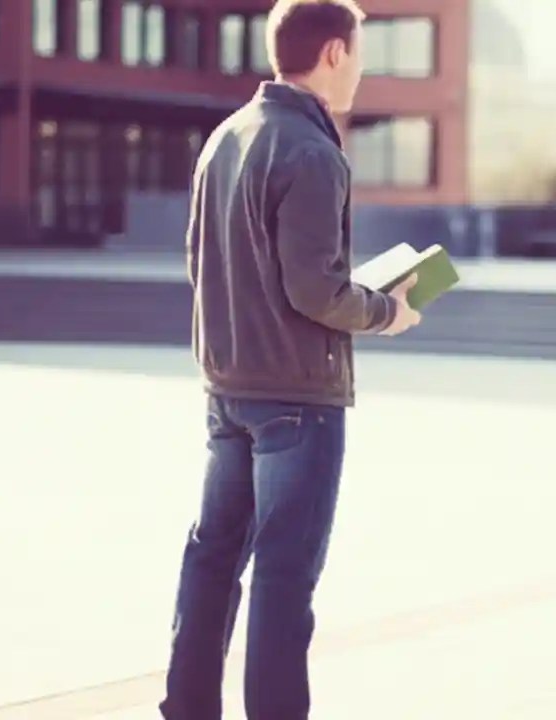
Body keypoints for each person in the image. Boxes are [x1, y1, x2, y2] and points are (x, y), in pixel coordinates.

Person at [160, 1, 420, 717]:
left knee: (212, 558)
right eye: (359, 53)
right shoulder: (312, 151)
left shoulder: (225, 138)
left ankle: (187, 709)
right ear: (334, 52)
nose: (361, 70)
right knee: (283, 578)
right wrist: (387, 310)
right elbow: (315, 291)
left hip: (227, 390)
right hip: (298, 402)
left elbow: (201, 264)